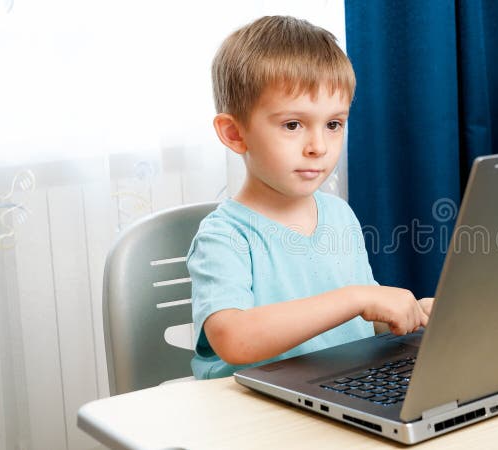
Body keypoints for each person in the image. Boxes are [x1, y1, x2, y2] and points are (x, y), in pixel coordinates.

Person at [186, 16, 434, 379]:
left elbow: (356, 326)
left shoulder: (339, 215)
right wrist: (357, 298)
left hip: (338, 389)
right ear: (235, 133)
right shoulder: (224, 237)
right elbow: (234, 339)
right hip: (252, 414)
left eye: (333, 124)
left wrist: (409, 315)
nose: (318, 147)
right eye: (292, 125)